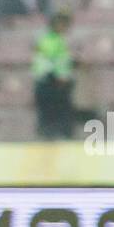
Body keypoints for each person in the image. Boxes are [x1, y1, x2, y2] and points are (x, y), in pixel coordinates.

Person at [33, 11, 76, 140]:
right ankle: (54, 135)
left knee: (53, 111)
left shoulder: (52, 39)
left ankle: (53, 134)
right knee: (54, 111)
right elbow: (54, 60)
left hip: (49, 80)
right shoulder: (51, 40)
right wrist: (61, 76)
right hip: (50, 80)